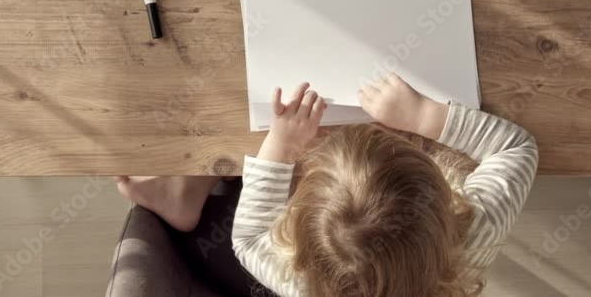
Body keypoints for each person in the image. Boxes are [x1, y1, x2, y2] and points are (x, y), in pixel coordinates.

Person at [116, 73, 537, 297]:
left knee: (230, 177)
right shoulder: (475, 231)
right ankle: (188, 195)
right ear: (442, 199)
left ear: (298, 238)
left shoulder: (298, 280)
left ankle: (184, 199)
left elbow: (245, 239)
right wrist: (424, 117)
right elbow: (517, 148)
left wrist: (281, 144)